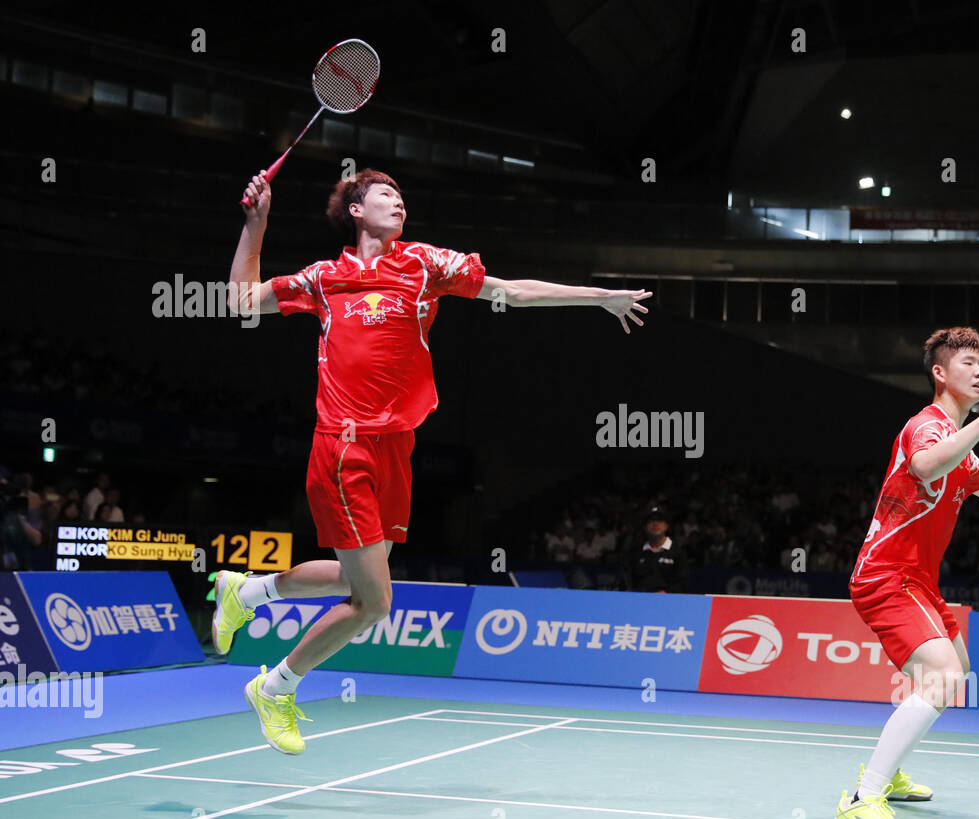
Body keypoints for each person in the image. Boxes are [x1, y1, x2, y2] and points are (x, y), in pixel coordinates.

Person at [213, 168, 652, 755]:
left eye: (402, 198)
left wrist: (598, 297)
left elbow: (510, 291)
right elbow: (240, 301)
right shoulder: (325, 279)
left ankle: (247, 594)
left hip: (398, 446)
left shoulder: (423, 265)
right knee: (374, 602)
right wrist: (256, 223)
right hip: (343, 445)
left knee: (351, 579)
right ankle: (276, 686)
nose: (399, 205)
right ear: (355, 211)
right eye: (385, 197)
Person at [834, 327, 979, 819]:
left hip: (917, 581)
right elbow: (926, 464)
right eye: (969, 363)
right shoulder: (926, 427)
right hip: (886, 575)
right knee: (942, 673)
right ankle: (863, 802)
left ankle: (893, 763)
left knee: (956, 671)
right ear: (940, 373)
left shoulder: (959, 441)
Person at [624, 506, 689, 592]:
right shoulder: (635, 553)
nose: (655, 524)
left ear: (666, 526)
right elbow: (628, 582)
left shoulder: (678, 552)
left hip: (669, 601)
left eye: (660, 520)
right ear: (644, 527)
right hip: (640, 601)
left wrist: (666, 593)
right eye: (651, 521)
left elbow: (683, 582)